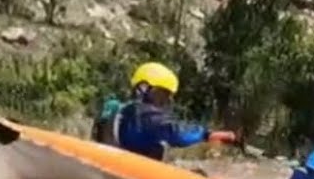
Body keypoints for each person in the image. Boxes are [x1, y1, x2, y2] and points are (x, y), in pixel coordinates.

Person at [92, 62, 238, 162]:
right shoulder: (148, 118)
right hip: (128, 172)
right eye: (160, 95)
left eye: (166, 97)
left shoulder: (116, 108)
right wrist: (206, 134)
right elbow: (176, 133)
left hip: (108, 163)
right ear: (143, 88)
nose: (163, 102)